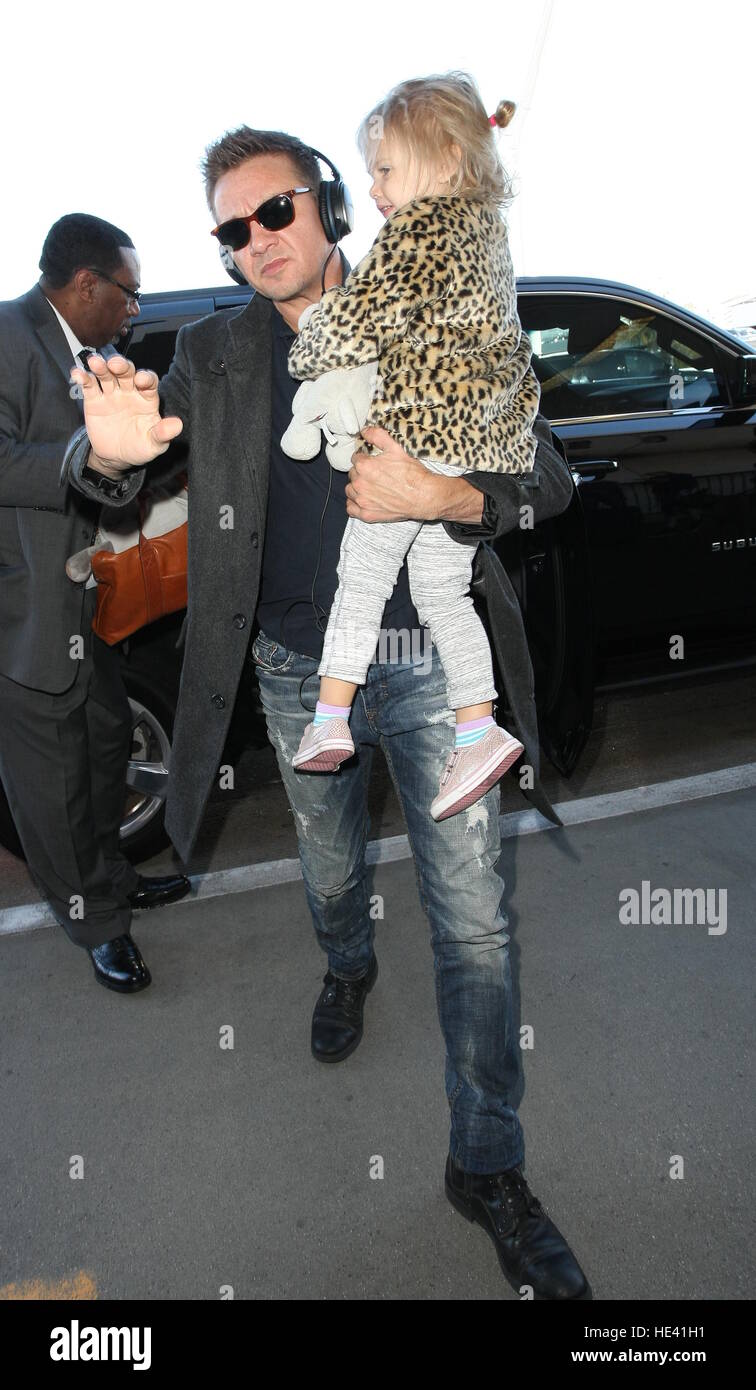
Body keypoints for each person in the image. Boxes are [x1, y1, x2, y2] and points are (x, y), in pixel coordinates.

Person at [62, 117, 591, 1298]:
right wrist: (107, 461)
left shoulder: (439, 300)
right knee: (332, 868)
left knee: (476, 921)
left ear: (332, 204)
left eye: (276, 210)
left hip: (440, 663)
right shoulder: (214, 352)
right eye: (233, 228)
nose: (256, 239)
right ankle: (345, 962)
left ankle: (486, 1165)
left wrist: (449, 487)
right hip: (300, 670)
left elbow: (547, 475)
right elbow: (131, 470)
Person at [284, 78, 532, 823]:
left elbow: (356, 322)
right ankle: (479, 727)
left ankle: (329, 719)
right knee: (442, 594)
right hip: (474, 447)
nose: (375, 188)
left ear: (448, 157)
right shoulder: (488, 229)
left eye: (387, 169)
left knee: (360, 580)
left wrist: (312, 341)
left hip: (414, 441)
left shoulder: (423, 229)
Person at [0, 214, 189, 995]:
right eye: (129, 292)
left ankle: (111, 879)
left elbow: (113, 478)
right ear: (86, 286)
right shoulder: (8, 337)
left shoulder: (102, 359)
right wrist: (92, 457)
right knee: (54, 788)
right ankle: (97, 924)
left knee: (106, 748)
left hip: (90, 609)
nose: (135, 308)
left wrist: (148, 468)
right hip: (23, 616)